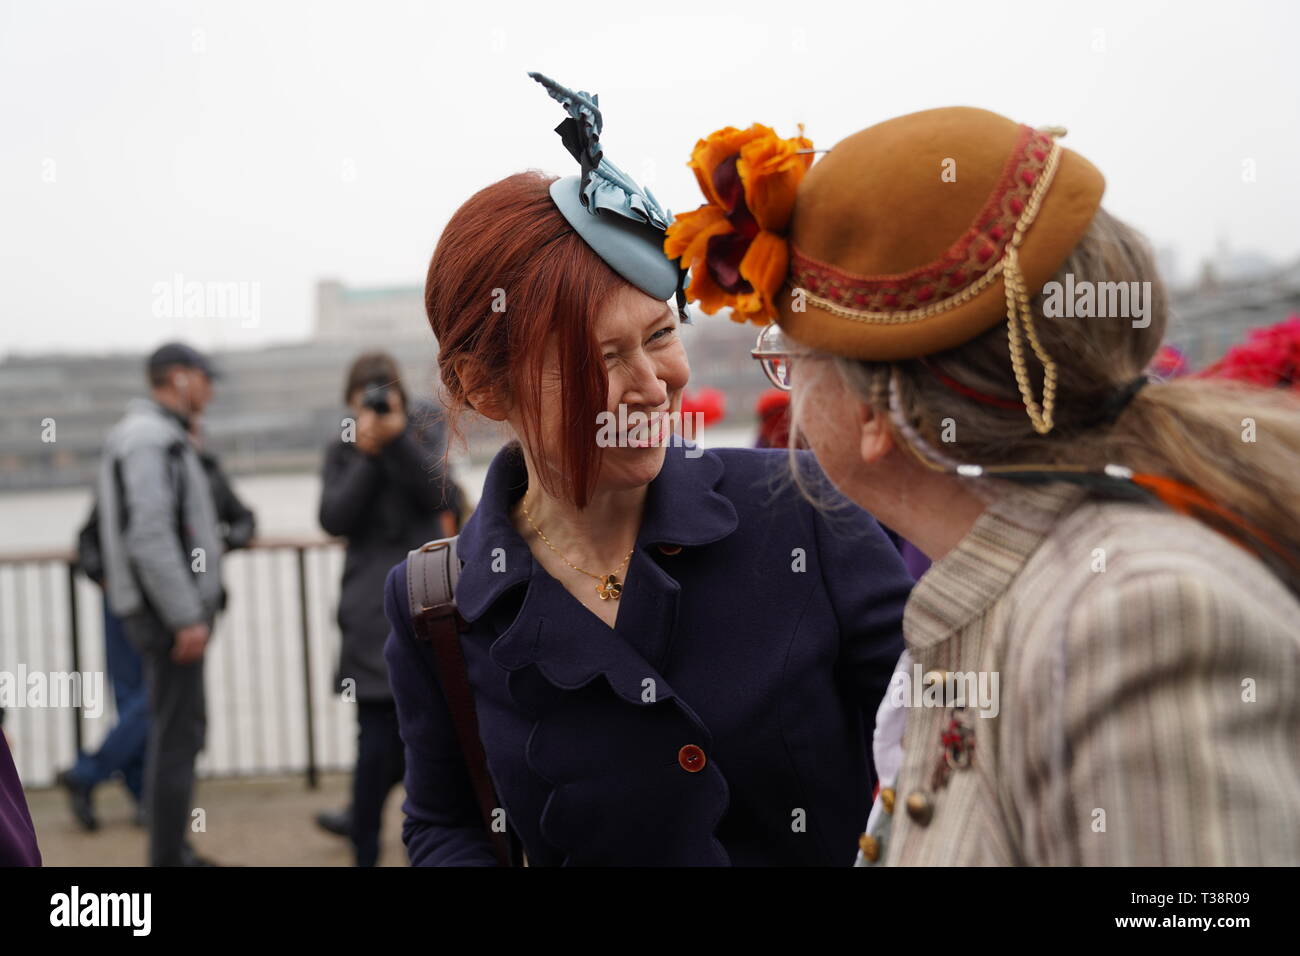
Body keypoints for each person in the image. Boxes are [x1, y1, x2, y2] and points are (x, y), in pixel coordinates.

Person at [676, 106, 1300, 864]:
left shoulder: (1131, 615)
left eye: (787, 353)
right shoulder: (1021, 587)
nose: (786, 383)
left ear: (877, 408)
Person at [381, 74, 912, 866]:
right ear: (482, 387)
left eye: (661, 334)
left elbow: (936, 757)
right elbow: (446, 824)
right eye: (597, 357)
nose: (653, 382)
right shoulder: (440, 604)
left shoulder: (804, 506)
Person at [318, 352, 454, 866]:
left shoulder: (423, 433)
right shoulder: (343, 448)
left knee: (435, 742)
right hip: (369, 618)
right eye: (365, 399)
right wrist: (369, 455)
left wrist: (396, 441)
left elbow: (437, 495)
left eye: (382, 397)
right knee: (374, 752)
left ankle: (430, 847)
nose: (374, 408)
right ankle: (364, 852)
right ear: (350, 403)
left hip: (425, 604)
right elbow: (335, 517)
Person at [96, 342, 228, 866]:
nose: (210, 389)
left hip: (161, 613)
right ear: (177, 379)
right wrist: (186, 616)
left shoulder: (155, 436)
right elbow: (149, 534)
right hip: (168, 619)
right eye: (203, 378)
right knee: (176, 741)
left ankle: (172, 851)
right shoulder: (151, 439)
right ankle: (168, 858)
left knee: (179, 733)